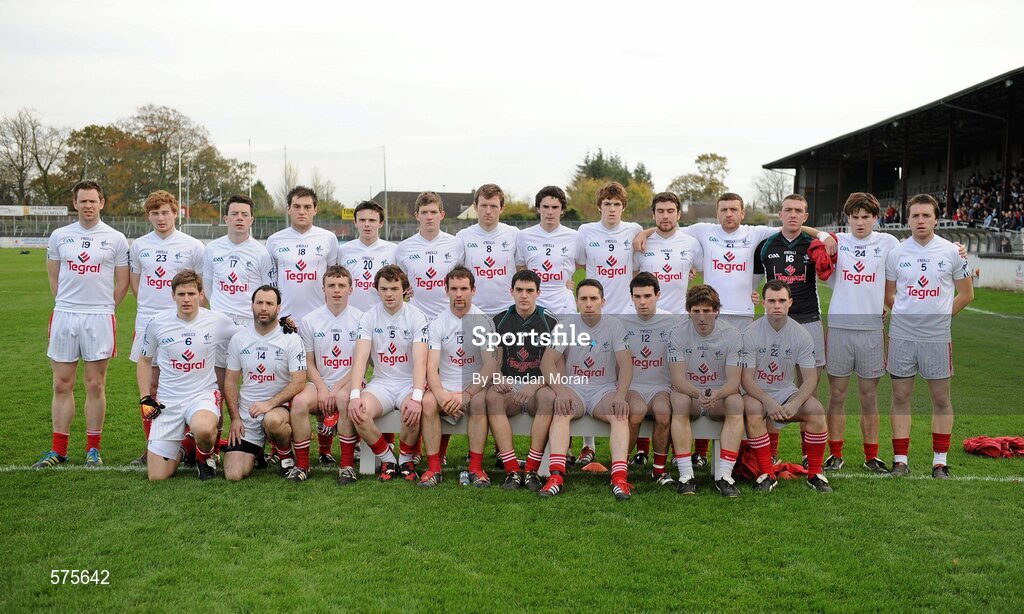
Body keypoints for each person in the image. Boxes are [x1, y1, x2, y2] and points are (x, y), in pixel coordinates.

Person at [636, 192, 834, 465]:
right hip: (709, 315)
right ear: (717, 213)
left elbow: (793, 224)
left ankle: (745, 455)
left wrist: (824, 237)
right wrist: (645, 232)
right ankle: (701, 453)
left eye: (734, 209)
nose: (729, 214)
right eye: (724, 209)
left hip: (742, 318)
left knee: (737, 387)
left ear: (742, 213)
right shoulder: (704, 231)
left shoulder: (754, 233)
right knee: (702, 377)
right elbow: (668, 224)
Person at [34, 181, 130, 469]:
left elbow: (123, 282)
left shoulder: (115, 238)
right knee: (61, 384)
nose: (88, 206)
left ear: (102, 203)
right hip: (65, 314)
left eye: (93, 201)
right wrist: (69, 303)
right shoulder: (60, 236)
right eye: (83, 201)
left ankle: (93, 450)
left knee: (95, 384)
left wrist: (103, 307)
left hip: (99, 317)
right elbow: (54, 279)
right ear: (74, 204)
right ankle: (58, 450)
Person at [884, 194, 974, 479]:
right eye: (915, 216)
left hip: (937, 338)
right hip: (901, 336)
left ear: (936, 219)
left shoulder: (952, 252)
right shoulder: (896, 253)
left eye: (926, 215)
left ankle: (940, 462)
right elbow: (888, 294)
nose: (920, 220)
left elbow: (967, 293)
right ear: (907, 219)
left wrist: (941, 319)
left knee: (940, 398)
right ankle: (900, 461)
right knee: (900, 396)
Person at [538, 279, 639, 500]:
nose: (589, 303)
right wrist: (561, 391)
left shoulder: (614, 325)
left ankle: (619, 478)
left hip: (603, 390)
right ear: (576, 302)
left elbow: (626, 365)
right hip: (573, 387)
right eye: (583, 299)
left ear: (603, 301)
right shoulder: (566, 325)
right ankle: (556, 476)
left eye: (594, 298)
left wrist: (621, 395)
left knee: (620, 414)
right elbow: (547, 362)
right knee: (561, 411)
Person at [135, 270, 241, 481]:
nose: (186, 299)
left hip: (202, 395)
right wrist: (146, 397)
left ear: (201, 295)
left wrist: (281, 328)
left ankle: (204, 458)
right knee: (157, 476)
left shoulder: (217, 320)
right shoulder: (157, 323)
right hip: (169, 400)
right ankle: (187, 447)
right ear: (172, 295)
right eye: (181, 294)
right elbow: (144, 361)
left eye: (191, 293)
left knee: (203, 428)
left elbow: (249, 334)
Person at [821, 193, 900, 473]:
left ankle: (871, 456)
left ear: (875, 218)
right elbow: (805, 232)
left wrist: (956, 248)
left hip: (871, 330)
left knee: (869, 396)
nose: (860, 222)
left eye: (865, 217)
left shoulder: (889, 243)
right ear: (848, 218)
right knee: (837, 395)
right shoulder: (839, 241)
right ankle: (835, 453)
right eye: (854, 217)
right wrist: (824, 235)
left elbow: (915, 254)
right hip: (840, 329)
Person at [128, 190, 205, 463]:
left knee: (186, 380)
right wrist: (154, 311)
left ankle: (186, 442)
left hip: (183, 322)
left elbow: (200, 288)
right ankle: (153, 445)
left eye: (165, 212)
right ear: (148, 216)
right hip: (149, 320)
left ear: (175, 213)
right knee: (152, 384)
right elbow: (136, 284)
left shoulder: (193, 246)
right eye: (155, 213)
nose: (161, 218)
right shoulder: (139, 246)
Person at [741, 280, 832, 494]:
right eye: (771, 301)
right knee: (754, 411)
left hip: (786, 392)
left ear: (790, 302)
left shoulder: (801, 334)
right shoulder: (750, 333)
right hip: (756, 393)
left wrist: (796, 403)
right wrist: (768, 402)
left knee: (816, 411)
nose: (777, 306)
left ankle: (815, 473)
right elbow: (746, 379)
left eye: (782, 300)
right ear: (763, 303)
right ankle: (766, 473)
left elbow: (810, 379)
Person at [343, 265, 431, 482]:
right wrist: (354, 396)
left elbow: (421, 363)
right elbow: (361, 360)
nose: (389, 294)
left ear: (404, 289)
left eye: (394, 288)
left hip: (408, 383)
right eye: (384, 289)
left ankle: (406, 460)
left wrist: (417, 398)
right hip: (381, 383)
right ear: (377, 290)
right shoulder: (369, 317)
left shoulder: (417, 317)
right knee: (358, 412)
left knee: (413, 410)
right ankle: (388, 459)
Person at [420, 266, 498, 487]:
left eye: (464, 288)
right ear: (446, 291)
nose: (459, 294)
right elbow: (431, 366)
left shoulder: (483, 322)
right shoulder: (437, 323)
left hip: (473, 389)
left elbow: (490, 365)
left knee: (480, 402)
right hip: (445, 387)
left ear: (473, 290)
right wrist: (441, 395)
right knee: (427, 402)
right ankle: (434, 468)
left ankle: (476, 467)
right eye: (454, 288)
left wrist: (467, 394)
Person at [485, 269, 561, 491]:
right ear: (511, 291)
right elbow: (494, 360)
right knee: (492, 397)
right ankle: (512, 470)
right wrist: (498, 377)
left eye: (529, 291)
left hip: (538, 386)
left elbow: (556, 368)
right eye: (519, 290)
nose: (524, 296)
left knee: (548, 397)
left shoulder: (551, 321)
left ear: (538, 292)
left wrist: (535, 384)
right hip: (511, 386)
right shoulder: (499, 321)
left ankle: (531, 469)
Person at [667, 285, 745, 496]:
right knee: (679, 400)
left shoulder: (732, 335)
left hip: (718, 398)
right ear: (689, 311)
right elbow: (677, 379)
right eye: (696, 311)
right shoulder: (677, 334)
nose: (702, 317)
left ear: (716, 311)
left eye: (707, 310)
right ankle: (686, 475)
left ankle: (725, 476)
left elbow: (734, 382)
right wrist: (698, 394)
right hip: (691, 395)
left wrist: (716, 395)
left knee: (736, 402)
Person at [222, 286, 307, 482]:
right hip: (247, 414)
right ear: (252, 306)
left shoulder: (291, 339)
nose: (263, 308)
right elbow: (231, 381)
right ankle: (257, 452)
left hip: (277, 409)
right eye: (259, 302)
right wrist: (235, 418)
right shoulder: (239, 339)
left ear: (278, 308)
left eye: (269, 303)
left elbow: (299, 381)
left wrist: (269, 404)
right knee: (234, 475)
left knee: (273, 421)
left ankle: (285, 457)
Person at [295, 266, 364, 478]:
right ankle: (302, 466)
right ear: (323, 289)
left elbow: (361, 364)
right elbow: (308, 362)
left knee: (344, 400)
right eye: (331, 285)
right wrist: (323, 388)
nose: (336, 290)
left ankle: (346, 466)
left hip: (349, 384)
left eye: (342, 285)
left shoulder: (362, 319)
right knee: (298, 403)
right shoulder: (309, 320)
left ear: (350, 289)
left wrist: (335, 389)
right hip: (319, 385)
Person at [621, 273, 675, 483]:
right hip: (633, 385)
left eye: (647, 296)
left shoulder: (671, 322)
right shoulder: (621, 321)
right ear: (631, 297)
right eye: (637, 297)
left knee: (663, 413)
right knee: (636, 412)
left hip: (660, 385)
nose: (642, 302)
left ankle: (659, 470)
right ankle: (620, 466)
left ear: (658, 295)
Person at [265, 186, 340, 323]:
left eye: (307, 207)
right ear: (288, 209)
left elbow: (333, 277)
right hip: (284, 319)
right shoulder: (274, 240)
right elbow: (270, 279)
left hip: (320, 319)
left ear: (315, 210)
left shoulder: (328, 238)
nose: (302, 212)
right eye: (296, 206)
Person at [202, 194, 275, 328]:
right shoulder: (211, 249)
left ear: (251, 220)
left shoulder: (262, 252)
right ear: (226, 219)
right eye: (234, 213)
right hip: (218, 320)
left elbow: (269, 291)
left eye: (245, 214)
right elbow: (208, 287)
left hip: (249, 321)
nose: (240, 218)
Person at [396, 192, 464, 321]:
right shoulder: (404, 247)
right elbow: (400, 282)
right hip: (415, 320)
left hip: (449, 318)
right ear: (417, 215)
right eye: (424, 212)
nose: (429, 217)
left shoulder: (456, 244)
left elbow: (463, 278)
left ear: (442, 215)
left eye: (433, 212)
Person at [633, 192, 702, 315]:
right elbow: (631, 282)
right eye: (660, 211)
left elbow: (708, 276)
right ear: (653, 215)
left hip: (679, 320)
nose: (665, 216)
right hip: (648, 321)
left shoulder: (692, 244)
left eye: (670, 211)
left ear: (679, 214)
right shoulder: (641, 245)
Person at [456, 184, 520, 315]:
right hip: (473, 311)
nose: (488, 211)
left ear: (502, 208)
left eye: (493, 206)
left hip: (508, 310)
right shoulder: (463, 236)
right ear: (475, 207)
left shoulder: (514, 234)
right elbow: (451, 273)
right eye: (484, 205)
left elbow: (526, 267)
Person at [515, 186, 579, 315]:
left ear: (562, 210)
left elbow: (582, 263)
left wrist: (568, 277)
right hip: (534, 304)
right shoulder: (524, 236)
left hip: (564, 305)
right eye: (545, 207)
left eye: (555, 207)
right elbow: (519, 266)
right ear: (538, 208)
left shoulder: (575, 236)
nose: (550, 212)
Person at [338, 200, 397, 312]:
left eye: (372, 220)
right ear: (355, 222)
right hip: (351, 317)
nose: (367, 224)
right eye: (362, 220)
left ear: (381, 223)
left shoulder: (393, 250)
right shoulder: (343, 250)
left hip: (382, 318)